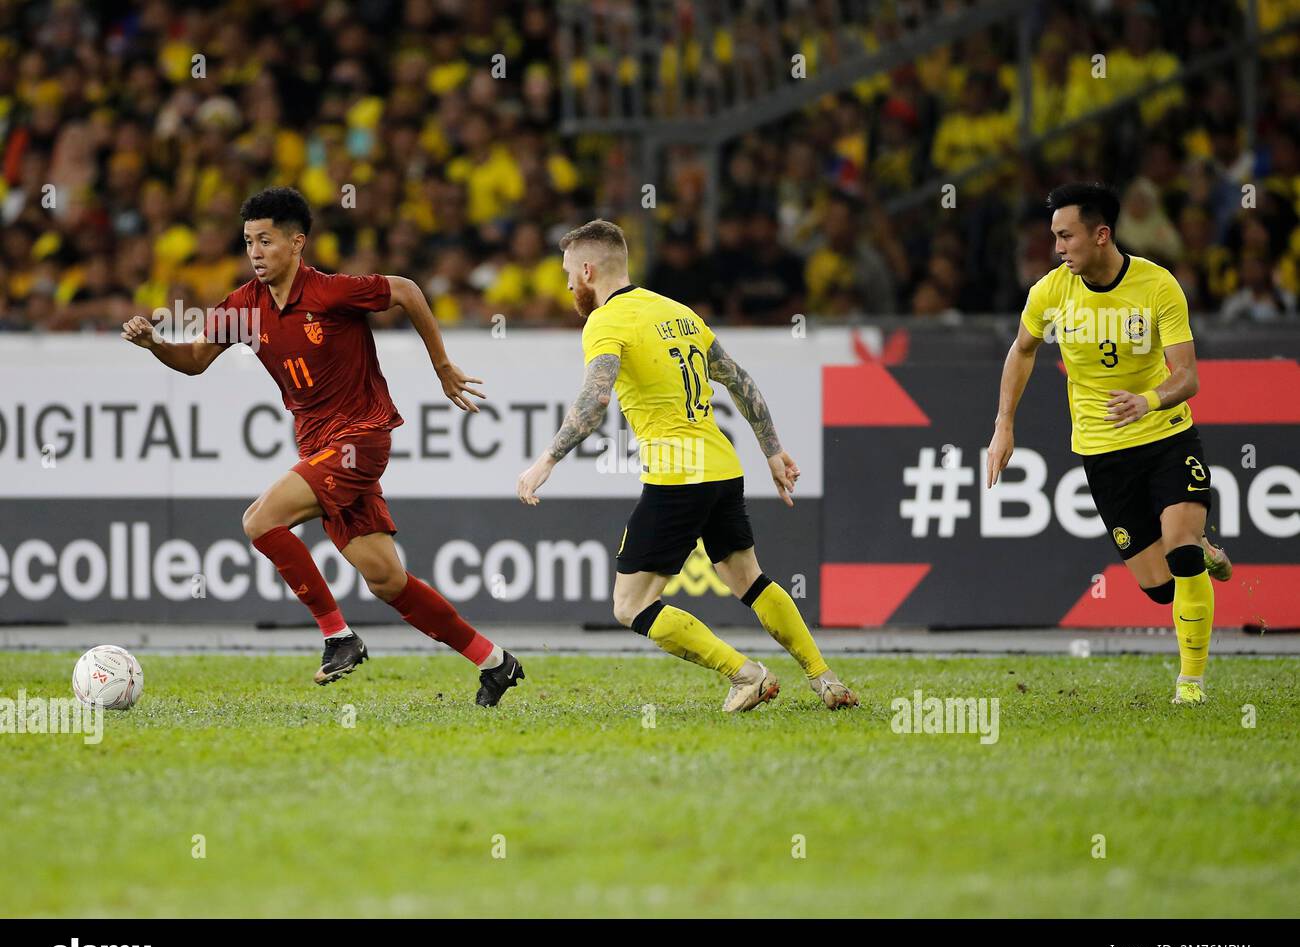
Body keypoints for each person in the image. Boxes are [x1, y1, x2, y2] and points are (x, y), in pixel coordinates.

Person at [121, 186, 525, 706]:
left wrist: (442, 366)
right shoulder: (243, 307)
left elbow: (404, 290)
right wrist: (155, 345)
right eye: (248, 242)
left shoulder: (333, 292)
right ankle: (494, 662)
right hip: (319, 449)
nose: (256, 253)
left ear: (297, 243)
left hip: (360, 439)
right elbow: (196, 359)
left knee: (259, 520)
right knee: (387, 580)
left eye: (266, 241)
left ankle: (338, 636)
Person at [516, 219, 857, 712]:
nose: (568, 284)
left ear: (588, 270)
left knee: (629, 605)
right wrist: (772, 450)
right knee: (750, 579)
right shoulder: (677, 312)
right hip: (722, 467)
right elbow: (739, 380)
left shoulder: (606, 321)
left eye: (569, 272)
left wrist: (545, 460)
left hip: (678, 476)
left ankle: (746, 674)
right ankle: (824, 678)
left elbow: (595, 400)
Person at [987, 183, 1232, 706]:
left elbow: (1187, 377)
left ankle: (1191, 683)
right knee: (1159, 588)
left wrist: (1149, 400)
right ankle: (1202, 550)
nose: (1057, 248)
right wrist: (1004, 423)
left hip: (1167, 435)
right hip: (1101, 452)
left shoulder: (1157, 285)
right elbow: (1022, 351)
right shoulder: (1050, 291)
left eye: (1065, 235)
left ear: (1101, 235)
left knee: (1182, 551)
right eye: (1054, 237)